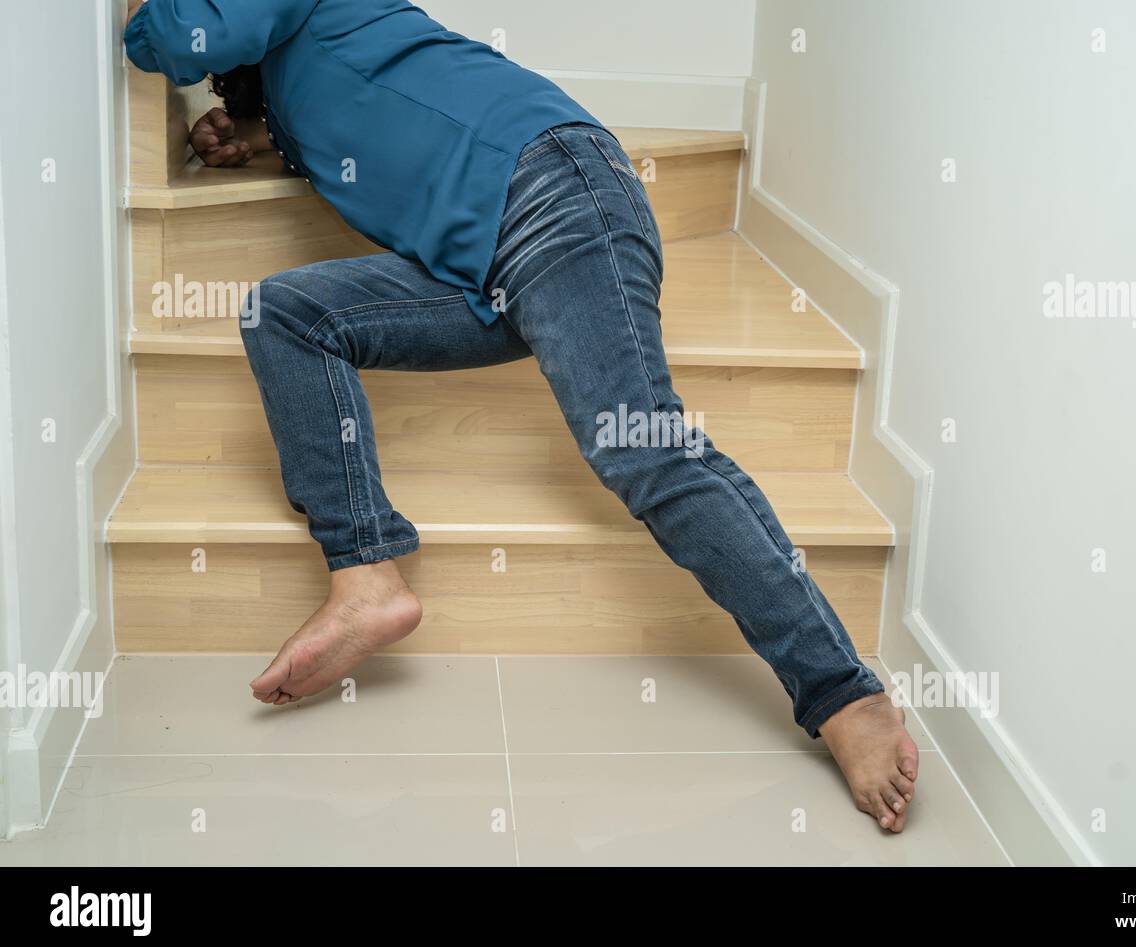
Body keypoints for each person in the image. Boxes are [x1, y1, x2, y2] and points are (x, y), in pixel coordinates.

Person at [124, 0, 919, 832]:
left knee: (641, 448)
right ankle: (367, 576)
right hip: (480, 269)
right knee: (286, 314)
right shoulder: (301, 71)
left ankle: (842, 693)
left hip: (556, 197)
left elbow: (178, 37)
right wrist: (255, 134)